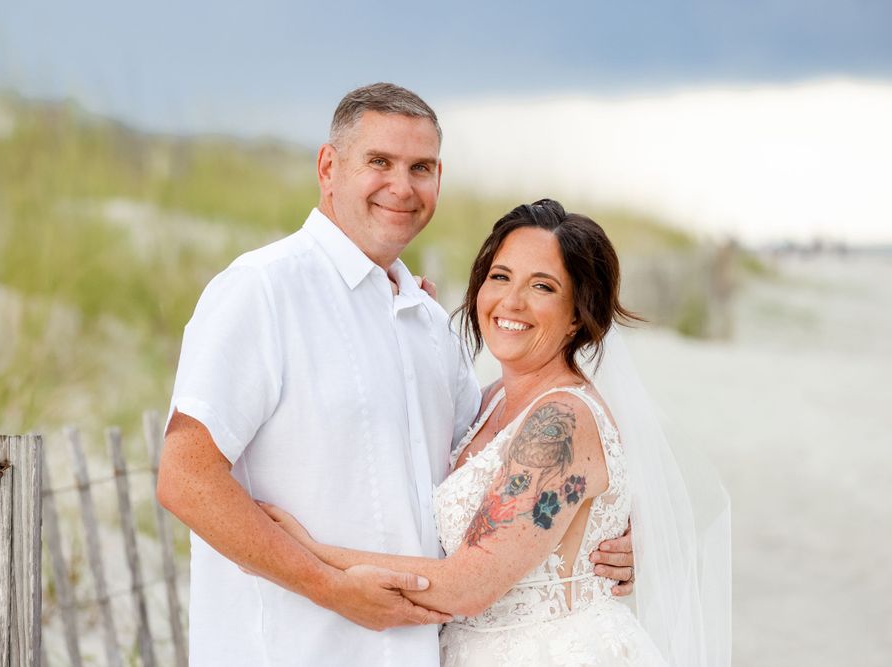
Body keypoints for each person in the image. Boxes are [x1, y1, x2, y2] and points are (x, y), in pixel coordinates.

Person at [156, 84, 635, 667]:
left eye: (421, 168)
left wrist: (597, 542)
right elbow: (184, 479)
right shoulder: (263, 290)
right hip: (291, 648)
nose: (401, 187)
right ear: (329, 167)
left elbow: (493, 475)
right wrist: (324, 582)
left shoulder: (431, 326)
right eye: (378, 162)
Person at [261, 199, 732, 665]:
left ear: (576, 314)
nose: (511, 302)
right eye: (500, 277)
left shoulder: (559, 424)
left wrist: (308, 553)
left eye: (542, 286)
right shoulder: (489, 403)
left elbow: (468, 587)